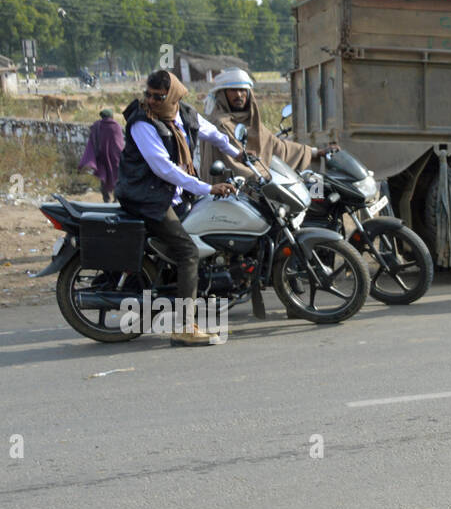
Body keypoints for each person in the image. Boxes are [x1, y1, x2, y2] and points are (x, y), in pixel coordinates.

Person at [115, 69, 243, 345]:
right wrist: (207, 187)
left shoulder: (184, 115)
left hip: (170, 194)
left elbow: (214, 135)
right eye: (148, 95)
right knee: (188, 253)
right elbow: (163, 168)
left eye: (158, 96)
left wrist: (240, 153)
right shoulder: (143, 123)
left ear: (172, 96)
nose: (150, 101)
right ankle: (184, 326)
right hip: (146, 197)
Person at [198, 68, 337, 177]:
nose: (239, 95)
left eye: (243, 90)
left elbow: (278, 147)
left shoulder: (252, 122)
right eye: (233, 90)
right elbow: (236, 165)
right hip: (233, 198)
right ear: (223, 94)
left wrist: (315, 152)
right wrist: (264, 178)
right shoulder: (220, 124)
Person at [79, 108, 124, 203]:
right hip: (115, 157)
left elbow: (93, 140)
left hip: (101, 156)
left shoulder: (96, 125)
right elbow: (119, 142)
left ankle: (106, 199)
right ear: (111, 116)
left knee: (104, 178)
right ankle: (116, 199)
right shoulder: (116, 126)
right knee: (116, 177)